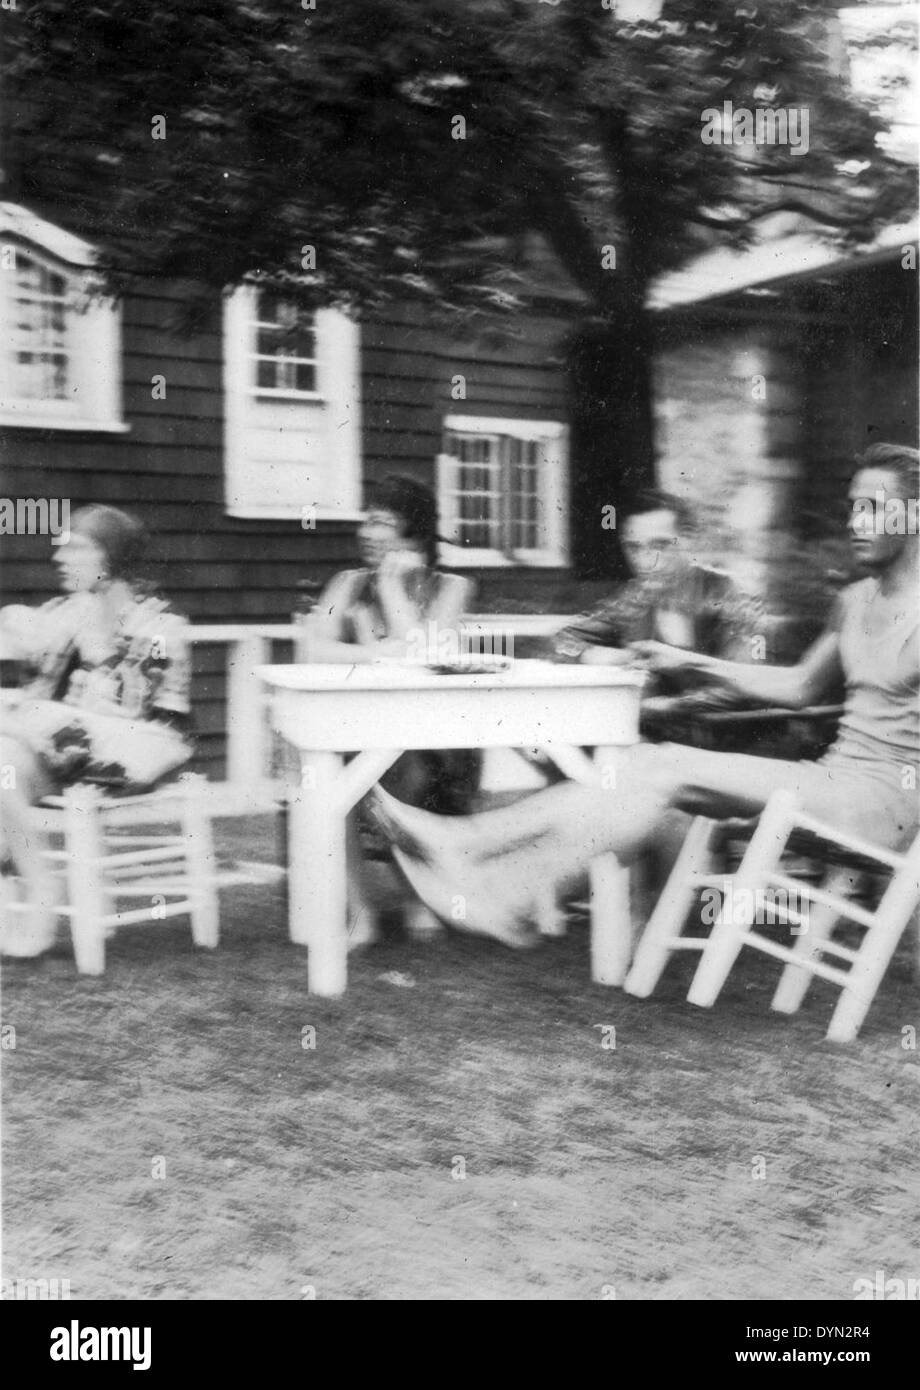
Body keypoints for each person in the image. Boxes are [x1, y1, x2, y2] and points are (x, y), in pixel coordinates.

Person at [367, 444, 920, 946]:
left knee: (657, 767)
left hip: (883, 805)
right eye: (854, 505)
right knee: (641, 766)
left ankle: (476, 856)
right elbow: (799, 686)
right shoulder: (855, 599)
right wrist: (688, 660)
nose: (856, 521)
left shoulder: (733, 597)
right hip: (831, 779)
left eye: (875, 507)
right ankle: (490, 878)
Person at [0, 505, 192, 957]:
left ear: (111, 559)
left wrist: (94, 648)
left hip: (140, 743)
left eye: (77, 548)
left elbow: (132, 707)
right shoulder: (65, 612)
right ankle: (31, 883)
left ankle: (41, 886)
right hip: (67, 743)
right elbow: (26, 665)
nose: (60, 559)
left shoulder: (162, 625)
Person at [299, 474, 478, 940]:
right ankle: (361, 910)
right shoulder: (346, 584)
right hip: (359, 727)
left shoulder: (451, 587)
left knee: (412, 773)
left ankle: (419, 899)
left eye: (381, 522)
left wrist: (394, 587)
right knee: (327, 777)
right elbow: (316, 649)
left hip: (431, 735)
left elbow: (425, 655)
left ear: (412, 532)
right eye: (367, 521)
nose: (367, 532)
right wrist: (381, 652)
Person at [550, 490, 764, 743]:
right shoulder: (636, 596)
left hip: (717, 742)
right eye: (634, 548)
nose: (646, 561)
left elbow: (748, 687)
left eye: (660, 545)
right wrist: (594, 654)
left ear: (689, 539)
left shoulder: (730, 595)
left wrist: (660, 707)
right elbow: (565, 637)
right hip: (641, 730)